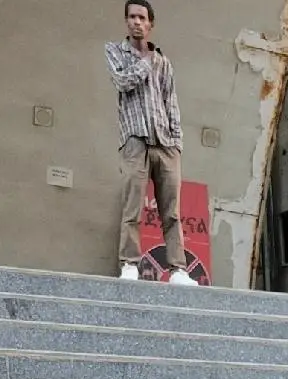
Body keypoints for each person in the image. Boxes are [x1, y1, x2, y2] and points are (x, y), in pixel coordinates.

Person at [105, 2, 194, 285]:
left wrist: (177, 143)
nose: (136, 22)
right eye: (131, 17)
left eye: (142, 18)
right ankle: (129, 263)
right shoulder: (115, 51)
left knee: (172, 211)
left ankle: (178, 270)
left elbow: (171, 102)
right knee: (132, 206)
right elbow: (122, 80)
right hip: (135, 140)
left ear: (150, 23)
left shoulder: (164, 62)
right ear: (126, 21)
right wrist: (146, 61)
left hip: (165, 143)